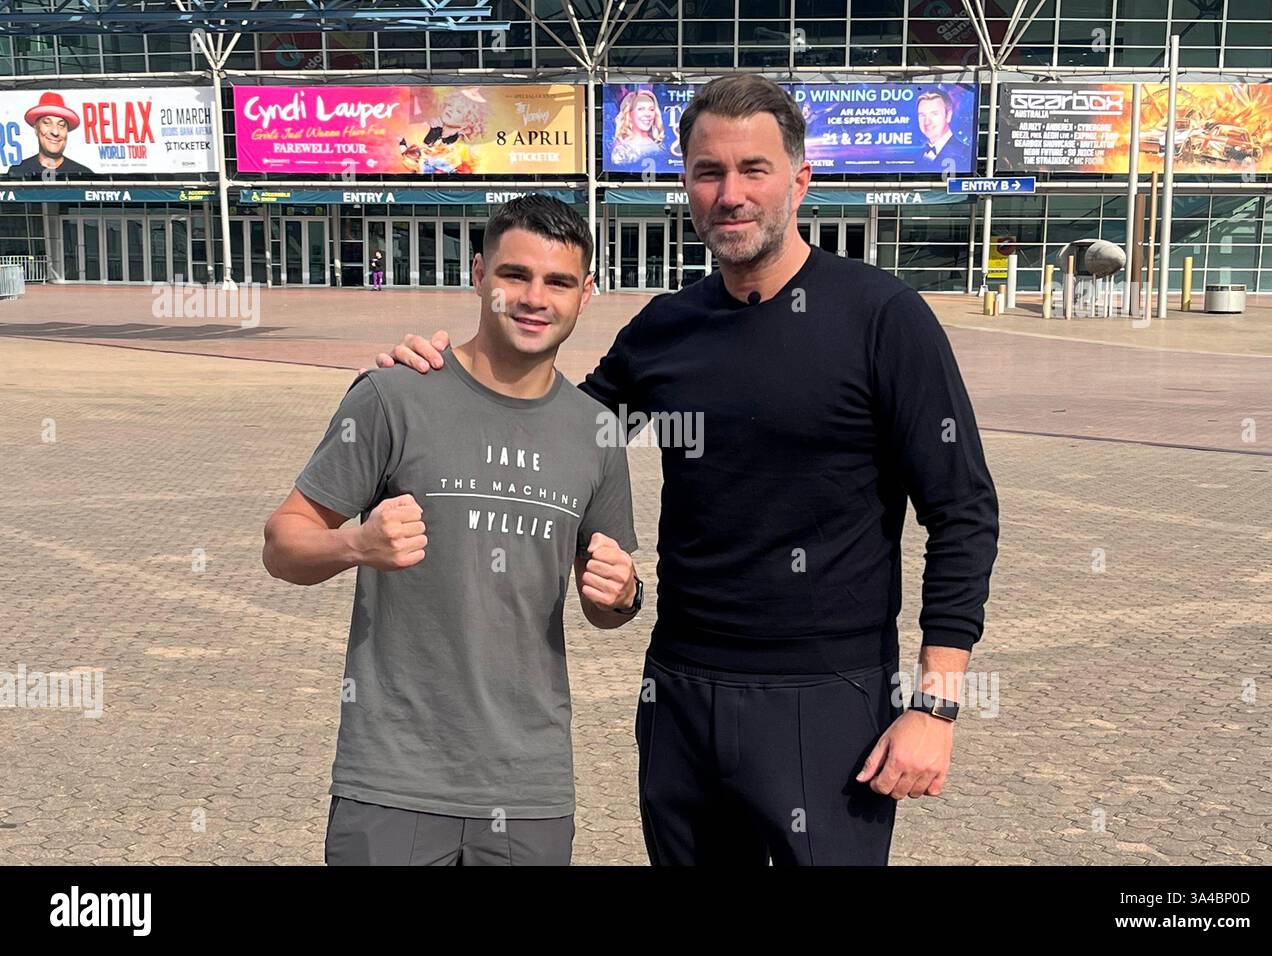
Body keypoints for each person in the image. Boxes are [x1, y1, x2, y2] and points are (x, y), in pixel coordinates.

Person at [375, 75, 999, 866]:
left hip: (829, 698)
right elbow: (557, 434)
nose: (730, 194)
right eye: (708, 172)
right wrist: (443, 373)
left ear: (800, 179)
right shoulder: (667, 329)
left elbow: (964, 513)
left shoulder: (883, 318)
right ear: (686, 184)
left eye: (753, 170)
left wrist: (935, 707)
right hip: (679, 692)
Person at [263, 195, 642, 865]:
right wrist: (355, 544)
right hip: (394, 781)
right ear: (478, 275)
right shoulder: (394, 396)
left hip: (530, 787)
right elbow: (282, 543)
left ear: (586, 294)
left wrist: (621, 595)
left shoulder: (597, 433)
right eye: (514, 275)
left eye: (557, 282)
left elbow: (607, 603)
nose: (534, 298)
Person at [5, 92, 93, 180]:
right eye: (47, 123)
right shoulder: (18, 172)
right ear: (36, 128)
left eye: (61, 125)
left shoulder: (84, 175)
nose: (55, 132)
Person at [915, 88, 971, 172]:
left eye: (934, 114)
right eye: (922, 115)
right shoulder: (917, 153)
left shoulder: (964, 153)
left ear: (948, 115)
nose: (927, 122)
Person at [610, 89, 666, 167]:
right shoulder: (622, 151)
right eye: (641, 109)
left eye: (651, 109)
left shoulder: (661, 147)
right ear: (629, 113)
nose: (647, 114)